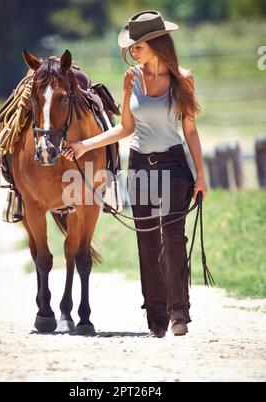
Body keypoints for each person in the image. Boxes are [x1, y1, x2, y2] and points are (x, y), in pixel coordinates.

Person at [63, 10, 208, 338]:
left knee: (172, 239)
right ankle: (155, 317)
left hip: (173, 165)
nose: (132, 52)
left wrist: (201, 175)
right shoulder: (132, 79)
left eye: (138, 45)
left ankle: (179, 314)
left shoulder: (184, 79)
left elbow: (191, 131)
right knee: (146, 241)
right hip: (140, 164)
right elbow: (126, 127)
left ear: (155, 42)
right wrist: (86, 144)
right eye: (131, 48)